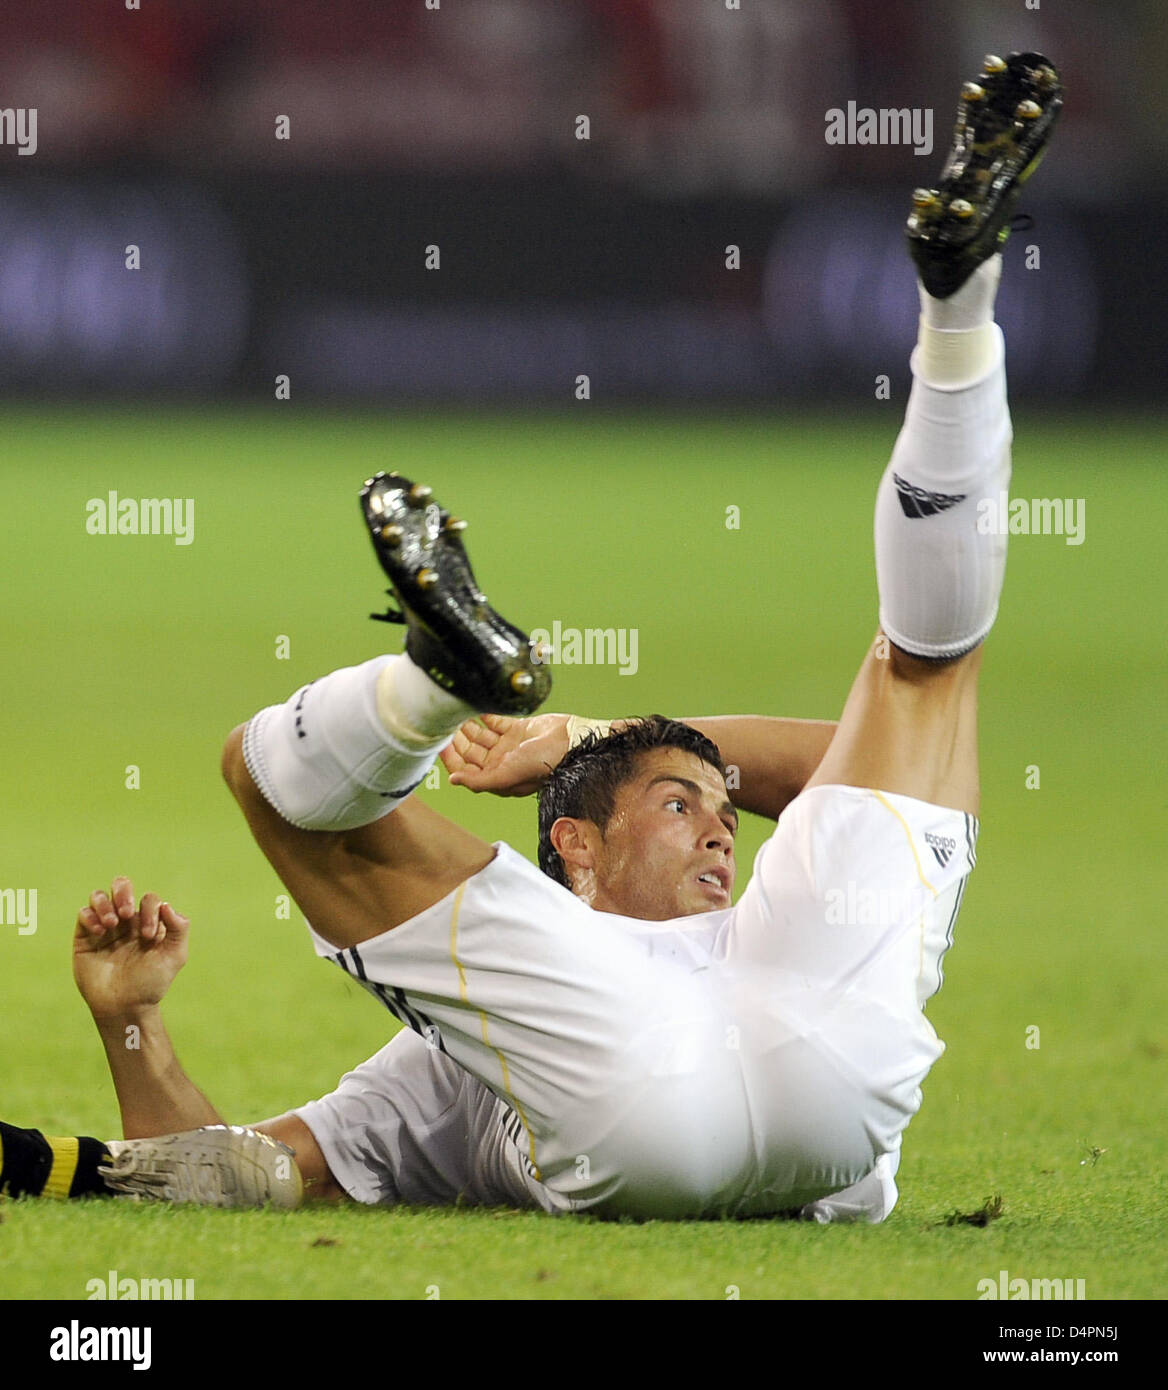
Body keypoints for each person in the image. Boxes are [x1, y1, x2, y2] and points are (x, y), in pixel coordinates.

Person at [1, 51, 1061, 1224]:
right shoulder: (505, 1005)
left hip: (797, 1050)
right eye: (675, 808)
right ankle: (956, 313)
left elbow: (839, 765)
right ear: (578, 850)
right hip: (778, 1106)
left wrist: (595, 733)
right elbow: (244, 1168)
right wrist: (131, 1020)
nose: (723, 831)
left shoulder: (740, 924)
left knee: (917, 672)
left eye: (719, 816)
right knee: (920, 677)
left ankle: (956, 305)